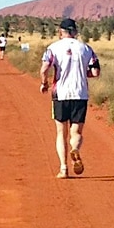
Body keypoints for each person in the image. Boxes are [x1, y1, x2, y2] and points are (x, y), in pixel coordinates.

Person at [39, 18, 100, 179]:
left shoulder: (53, 48)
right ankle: (75, 149)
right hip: (80, 94)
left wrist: (44, 83)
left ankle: (63, 168)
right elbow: (95, 72)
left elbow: (44, 69)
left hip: (60, 94)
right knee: (76, 132)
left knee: (61, 132)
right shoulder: (86, 48)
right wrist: (82, 73)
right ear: (75, 32)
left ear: (61, 32)